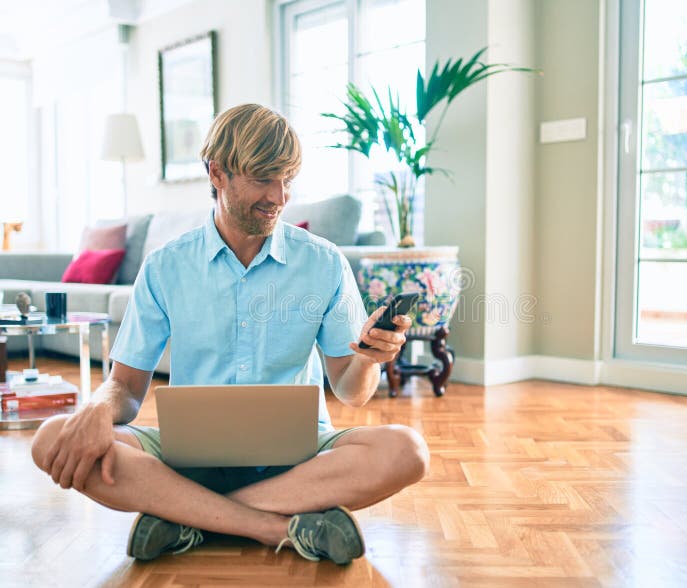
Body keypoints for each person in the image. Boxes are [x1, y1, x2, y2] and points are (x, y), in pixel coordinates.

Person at [30, 104, 430, 566]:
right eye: (264, 178)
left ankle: (185, 516)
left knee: (407, 450)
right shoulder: (166, 266)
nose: (279, 196)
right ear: (216, 172)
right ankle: (274, 525)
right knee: (51, 437)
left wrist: (369, 359)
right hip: (189, 459)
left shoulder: (323, 263)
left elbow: (351, 392)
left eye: (287, 180)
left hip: (299, 460)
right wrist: (97, 408)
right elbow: (126, 387)